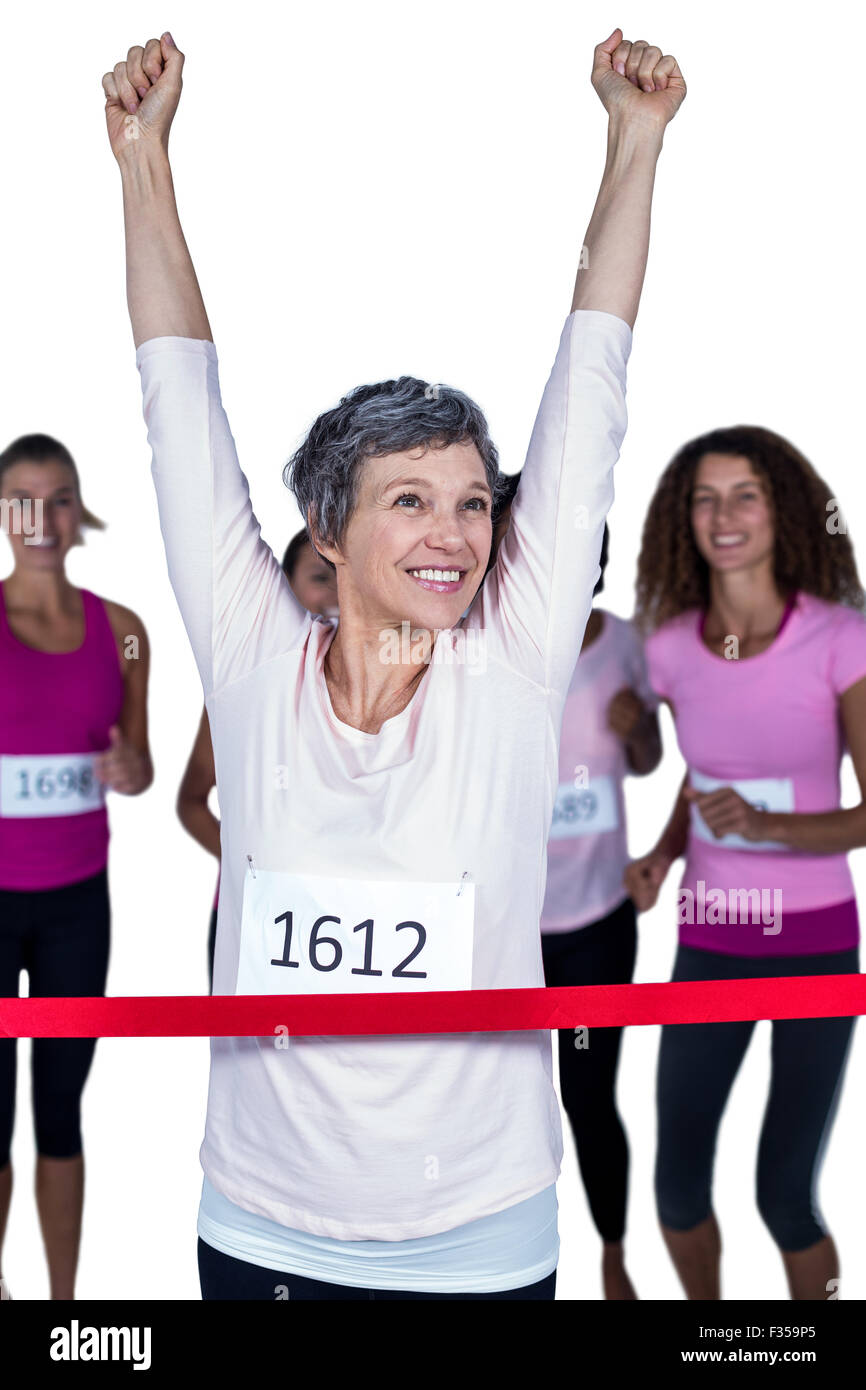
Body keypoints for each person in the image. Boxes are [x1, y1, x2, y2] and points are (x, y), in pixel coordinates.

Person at [103, 27, 685, 1300]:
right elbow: (177, 408)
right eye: (410, 501)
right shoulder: (256, 664)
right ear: (328, 528)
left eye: (475, 503)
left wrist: (630, 146)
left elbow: (591, 384)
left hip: (475, 1238)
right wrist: (145, 163)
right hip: (258, 1228)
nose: (455, 534)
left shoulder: (512, 669)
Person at [625, 425, 866, 1301]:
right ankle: (715, 1340)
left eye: (745, 495)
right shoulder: (670, 647)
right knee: (677, 1186)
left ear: (782, 509)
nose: (723, 515)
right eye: (704, 497)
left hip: (815, 948)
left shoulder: (842, 640)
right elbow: (703, 772)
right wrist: (659, 854)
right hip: (712, 941)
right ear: (682, 518)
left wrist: (767, 826)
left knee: (784, 1195)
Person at [0, 434, 153, 1300]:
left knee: (60, 1115)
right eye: (22, 499)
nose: (42, 518)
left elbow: (140, 763)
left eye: (58, 498)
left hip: (74, 908)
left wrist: (130, 769)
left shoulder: (122, 632)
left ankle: (62, 1309)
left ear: (78, 509)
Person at [538, 522, 661, 1300]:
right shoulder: (489, 642)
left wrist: (640, 729)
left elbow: (649, 761)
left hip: (595, 922)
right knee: (498, 1104)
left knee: (588, 1096)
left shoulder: (628, 645)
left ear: (602, 566)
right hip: (498, 929)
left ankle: (613, 1254)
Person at [177, 529, 338, 990]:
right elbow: (191, 801)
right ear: (284, 589)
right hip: (253, 916)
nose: (338, 593)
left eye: (349, 577)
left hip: (350, 929)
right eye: (319, 577)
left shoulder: (404, 688)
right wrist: (262, 869)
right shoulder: (243, 689)